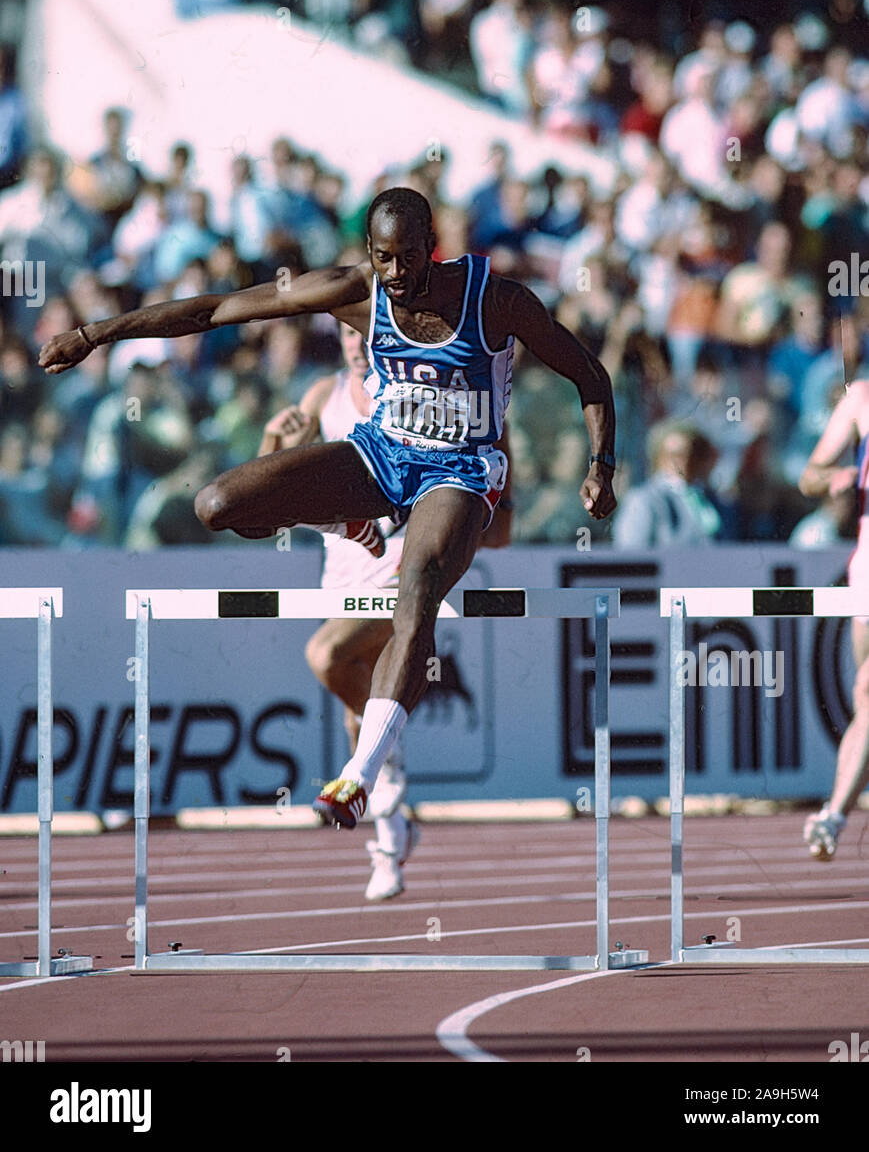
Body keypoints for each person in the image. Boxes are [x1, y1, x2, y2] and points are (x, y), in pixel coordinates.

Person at [39, 186, 616, 830]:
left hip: (460, 470)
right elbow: (219, 310)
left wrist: (601, 464)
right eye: (383, 259)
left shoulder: (496, 299)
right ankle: (347, 521)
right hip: (380, 455)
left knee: (417, 586)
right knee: (218, 504)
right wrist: (96, 333)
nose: (395, 275)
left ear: (433, 249)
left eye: (407, 259)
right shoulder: (358, 291)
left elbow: (589, 374)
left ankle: (359, 775)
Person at [259, 320, 512, 898]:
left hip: (404, 574)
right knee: (361, 720)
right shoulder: (321, 396)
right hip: (344, 574)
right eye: (345, 334)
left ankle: (385, 773)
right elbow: (277, 501)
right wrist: (273, 444)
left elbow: (497, 526)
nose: (355, 342)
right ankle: (390, 848)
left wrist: (431, 540)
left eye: (363, 332)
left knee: (326, 655)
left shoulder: (421, 394)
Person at [798, 377, 869, 859]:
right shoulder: (861, 396)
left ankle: (836, 812)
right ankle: (836, 813)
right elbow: (809, 476)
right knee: (866, 694)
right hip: (867, 568)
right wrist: (837, 478)